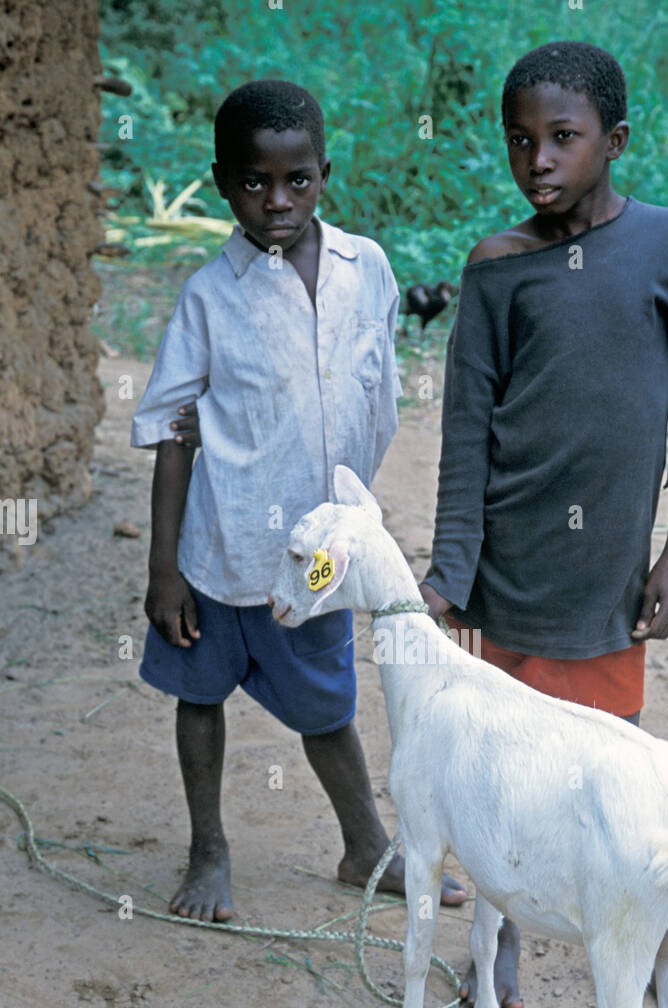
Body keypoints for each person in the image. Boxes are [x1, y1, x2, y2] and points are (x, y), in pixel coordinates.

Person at [419, 41, 668, 1008]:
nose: (536, 160)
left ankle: (657, 949)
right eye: (518, 141)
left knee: (613, 775)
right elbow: (465, 431)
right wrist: (447, 573)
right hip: (509, 575)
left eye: (560, 138)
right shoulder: (497, 267)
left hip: (605, 584)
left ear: (614, 141)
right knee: (502, 785)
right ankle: (492, 950)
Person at [131, 79, 465, 923]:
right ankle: (209, 847)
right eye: (253, 183)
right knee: (198, 697)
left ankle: (365, 846)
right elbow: (174, 432)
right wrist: (164, 570)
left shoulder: (369, 271)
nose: (276, 201)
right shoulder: (210, 297)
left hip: (317, 556)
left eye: (297, 181)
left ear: (325, 172)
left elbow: (375, 396)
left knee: (328, 707)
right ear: (221, 181)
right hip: (217, 550)